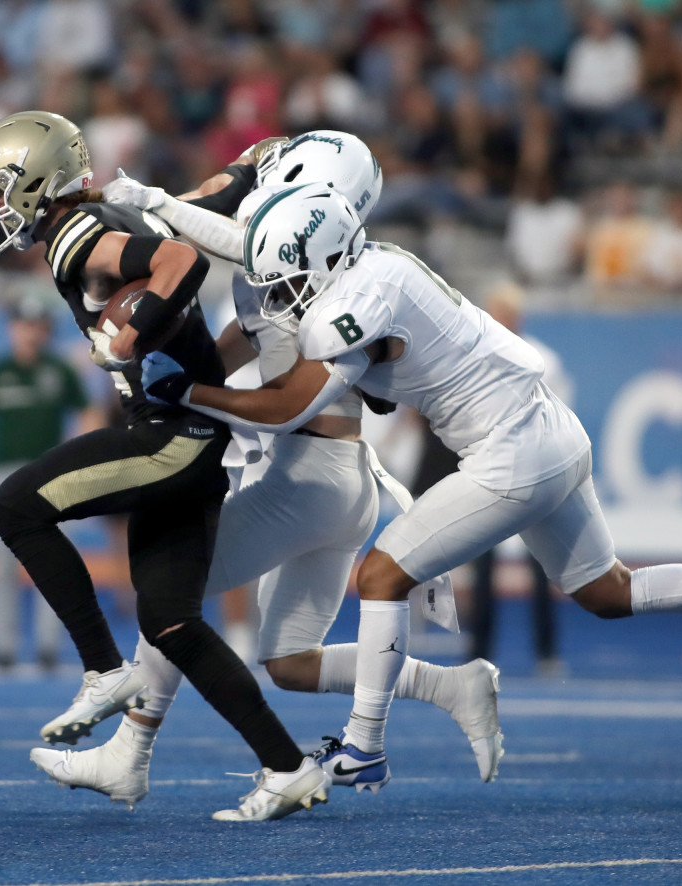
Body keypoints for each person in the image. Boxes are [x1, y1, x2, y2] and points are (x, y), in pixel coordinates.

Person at [141, 181, 682, 788]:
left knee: (380, 578)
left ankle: (364, 747)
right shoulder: (371, 265)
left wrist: (196, 391)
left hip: (510, 451)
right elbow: (246, 245)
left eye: (291, 281)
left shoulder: (346, 308)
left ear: (325, 261)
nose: (281, 298)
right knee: (608, 592)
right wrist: (152, 201)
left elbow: (289, 403)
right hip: (550, 431)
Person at [34, 130, 502, 808]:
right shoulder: (318, 255)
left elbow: (211, 252)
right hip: (338, 481)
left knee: (168, 597)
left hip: (308, 475)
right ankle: (448, 685)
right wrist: (166, 376)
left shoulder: (300, 255)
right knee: (287, 660)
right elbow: (238, 341)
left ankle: (130, 754)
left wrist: (181, 385)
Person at [0, 110, 328, 822]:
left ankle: (102, 669)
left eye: (0, 187)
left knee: (14, 506)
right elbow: (205, 206)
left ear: (38, 180)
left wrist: (129, 331)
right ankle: (287, 765)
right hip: (194, 439)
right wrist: (252, 164)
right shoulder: (116, 214)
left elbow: (183, 262)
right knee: (170, 620)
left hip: (173, 436)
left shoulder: (75, 238)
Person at [0, 293, 100, 671]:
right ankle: (4, 647)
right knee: (2, 565)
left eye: (38, 327)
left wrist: (86, 466)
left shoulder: (60, 371)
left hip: (52, 476)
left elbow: (88, 416)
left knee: (55, 564)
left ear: (47, 331)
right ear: (11, 328)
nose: (31, 334)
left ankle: (49, 647)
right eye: (24, 325)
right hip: (3, 476)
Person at [469, 281, 571, 675]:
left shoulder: (544, 360)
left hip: (533, 472)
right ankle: (478, 649)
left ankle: (546, 651)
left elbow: (561, 419)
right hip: (489, 471)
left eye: (505, 313)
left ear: (518, 317)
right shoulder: (477, 359)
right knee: (481, 567)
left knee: (542, 565)